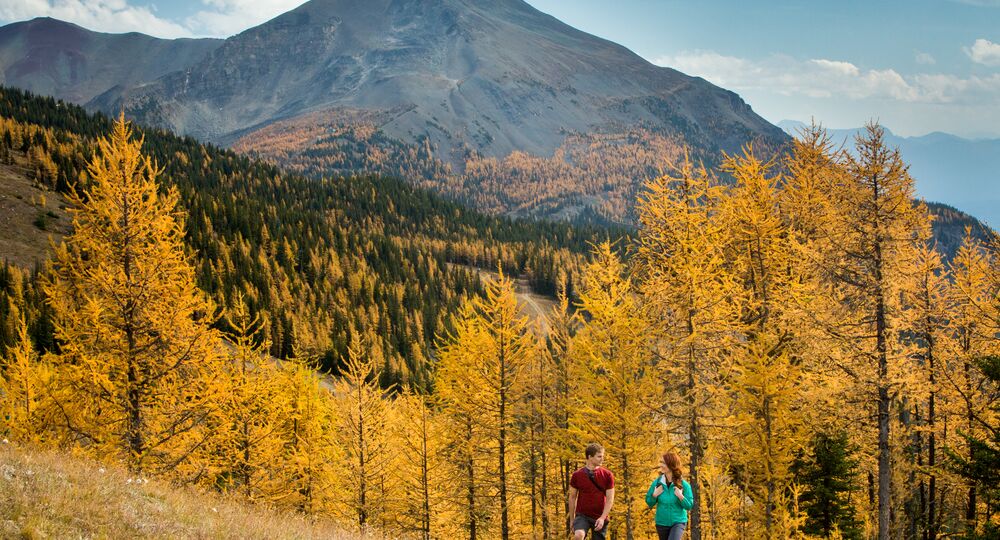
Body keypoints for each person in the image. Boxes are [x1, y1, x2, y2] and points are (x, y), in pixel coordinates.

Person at [568, 443, 615, 540]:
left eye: (602, 456)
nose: (602, 459)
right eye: (599, 456)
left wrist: (602, 518)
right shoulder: (577, 475)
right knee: (579, 535)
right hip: (582, 515)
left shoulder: (608, 475)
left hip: (600, 516)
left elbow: (610, 499)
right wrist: (572, 519)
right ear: (590, 457)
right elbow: (572, 497)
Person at [645, 452, 693, 540]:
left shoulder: (684, 485)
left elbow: (689, 506)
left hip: (678, 522)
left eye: (663, 463)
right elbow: (649, 502)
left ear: (671, 465)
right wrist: (654, 495)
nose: (660, 465)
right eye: (661, 462)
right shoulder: (657, 483)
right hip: (661, 523)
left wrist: (681, 496)